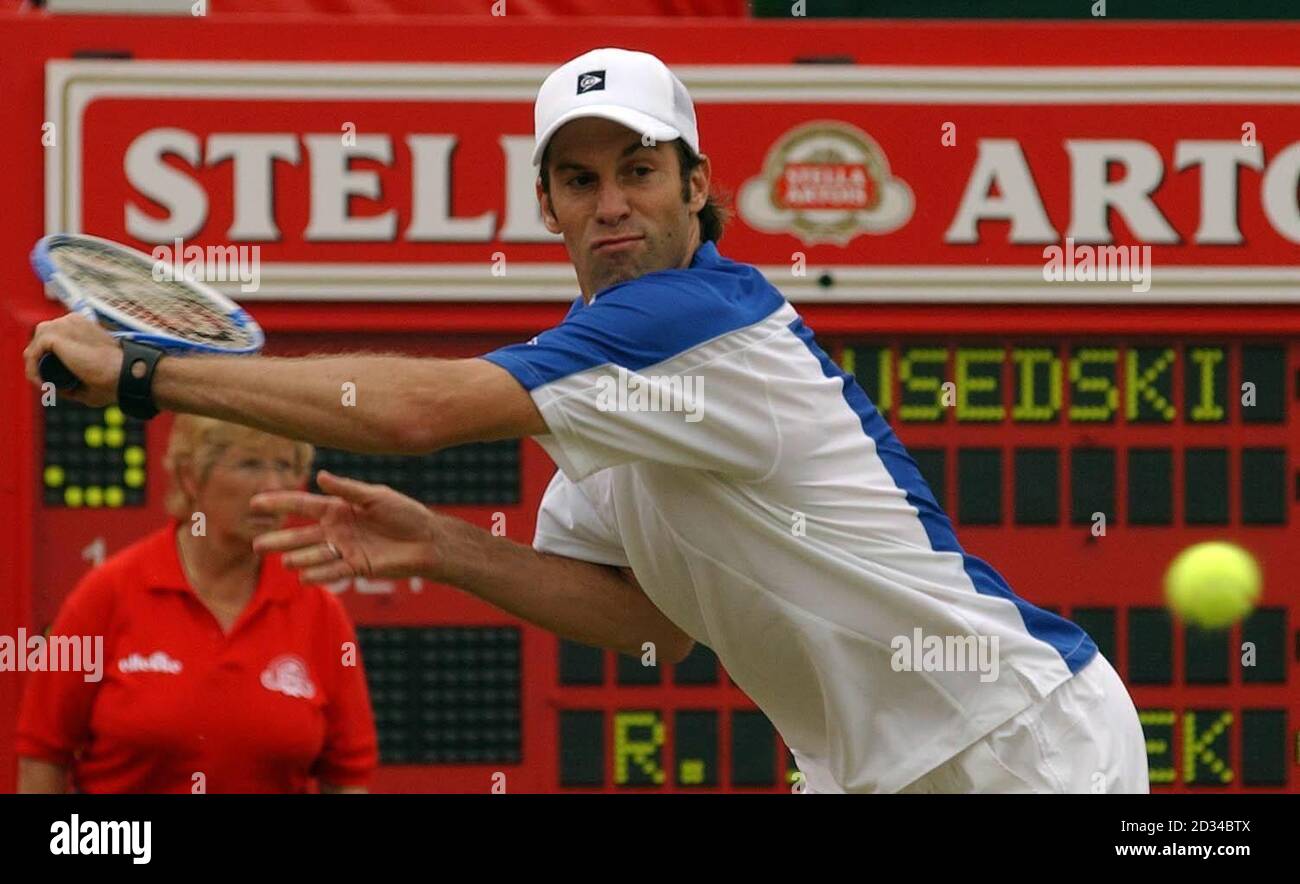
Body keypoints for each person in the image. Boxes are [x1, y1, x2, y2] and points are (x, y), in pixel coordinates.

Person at [23, 47, 1148, 793]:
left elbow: (419, 411)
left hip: (1020, 742)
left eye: (639, 169)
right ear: (547, 203)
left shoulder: (699, 316)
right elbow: (648, 630)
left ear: (696, 185)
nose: (610, 202)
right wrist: (447, 546)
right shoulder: (601, 377)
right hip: (871, 769)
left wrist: (141, 371)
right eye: (577, 178)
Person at [16, 416, 378, 793]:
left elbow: (347, 776)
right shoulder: (107, 594)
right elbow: (43, 755)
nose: (273, 488)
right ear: (191, 477)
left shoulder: (317, 609)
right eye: (249, 464)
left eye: (285, 466)